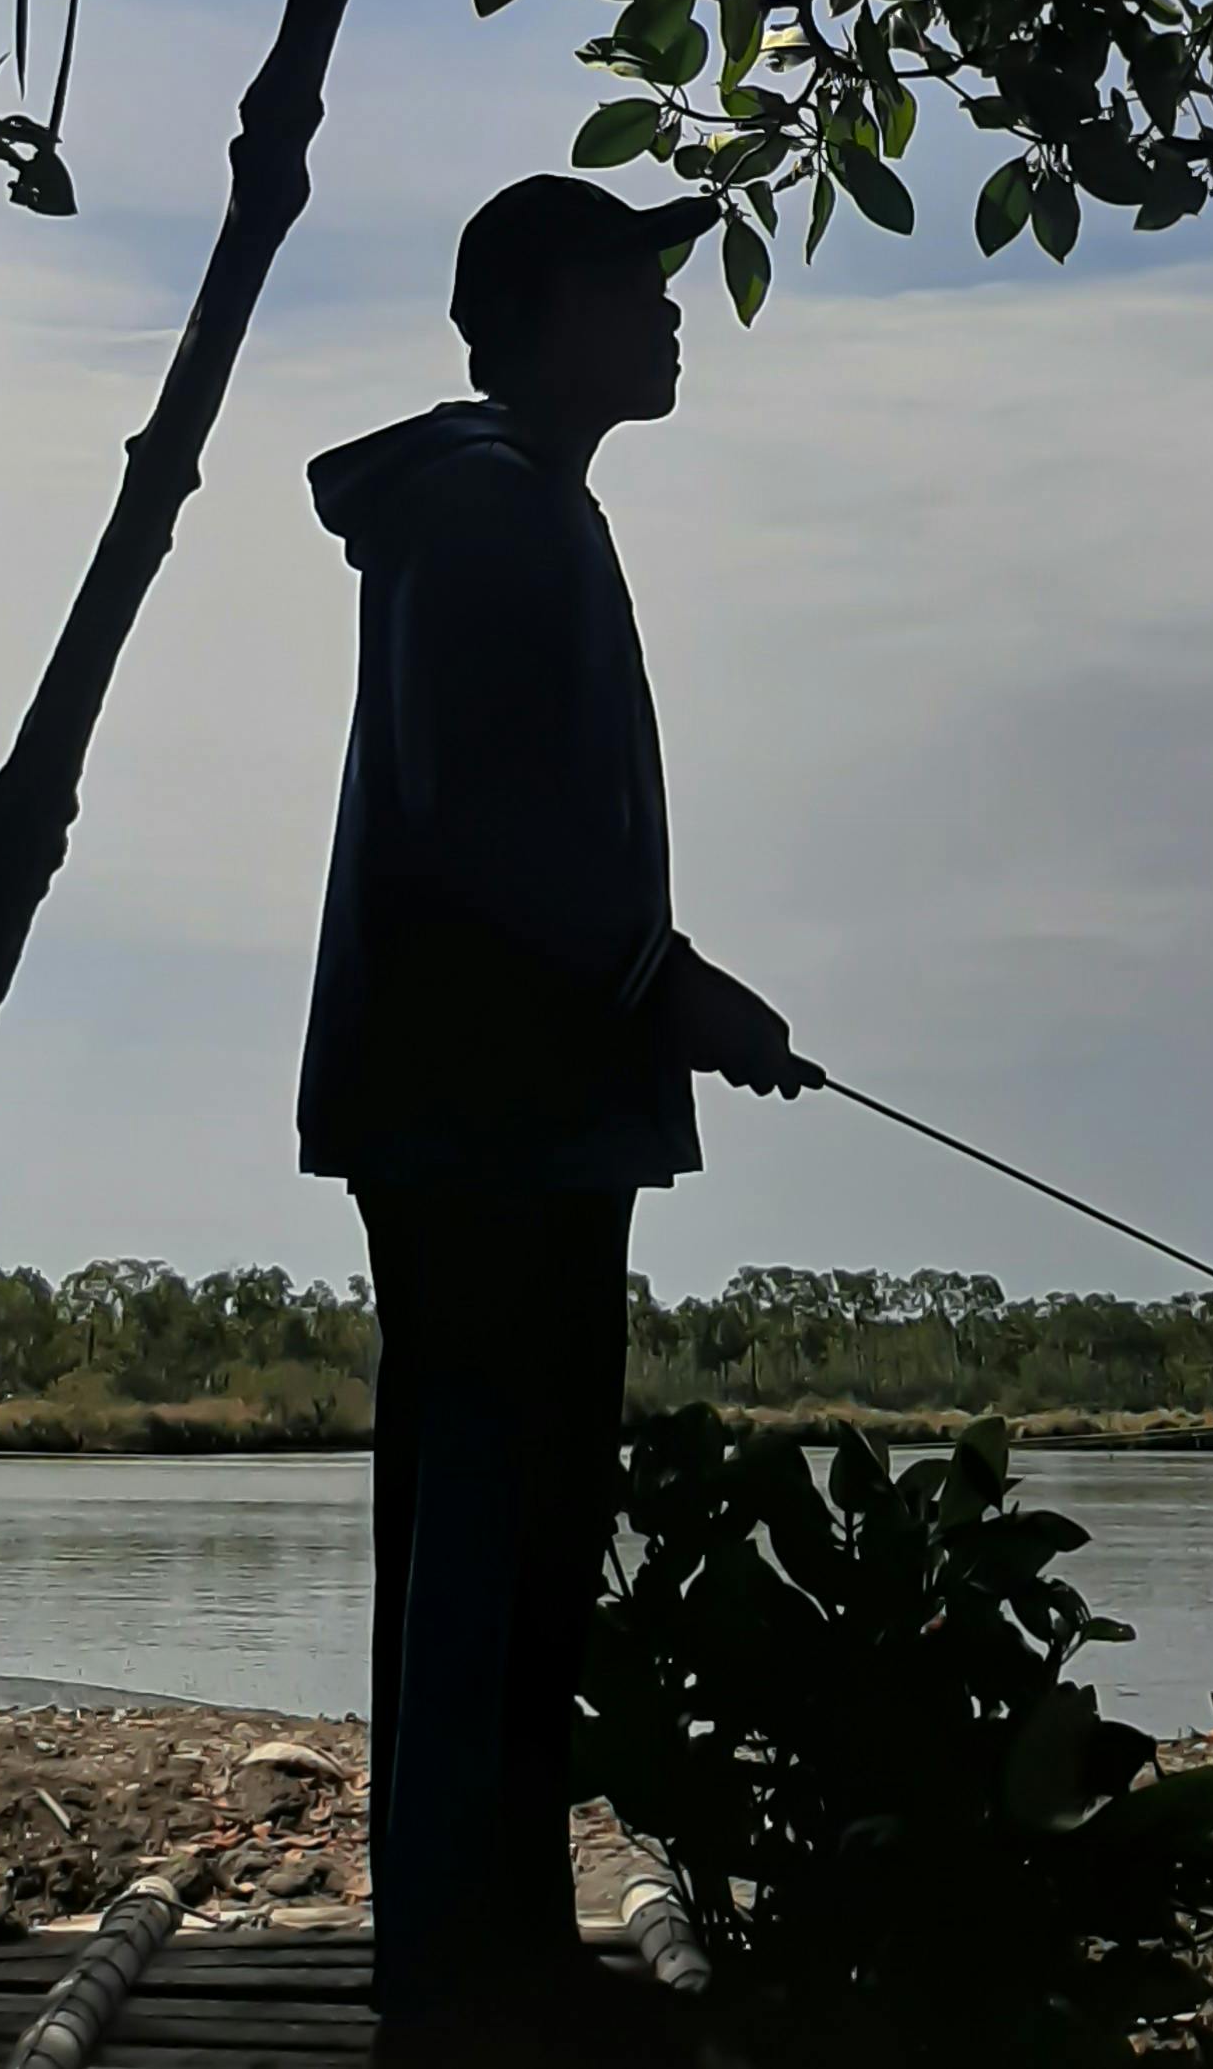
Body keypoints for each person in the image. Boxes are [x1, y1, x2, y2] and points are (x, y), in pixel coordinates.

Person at [298, 173, 819, 2062]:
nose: (671, 311)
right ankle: (463, 1965)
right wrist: (658, 984)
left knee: (516, 1536)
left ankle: (490, 1940)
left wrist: (657, 987)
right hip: (485, 1120)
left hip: (513, 1107)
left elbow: (512, 830)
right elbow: (483, 827)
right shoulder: (485, 510)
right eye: (635, 282)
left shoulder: (518, 505)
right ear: (542, 312)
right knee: (491, 1535)